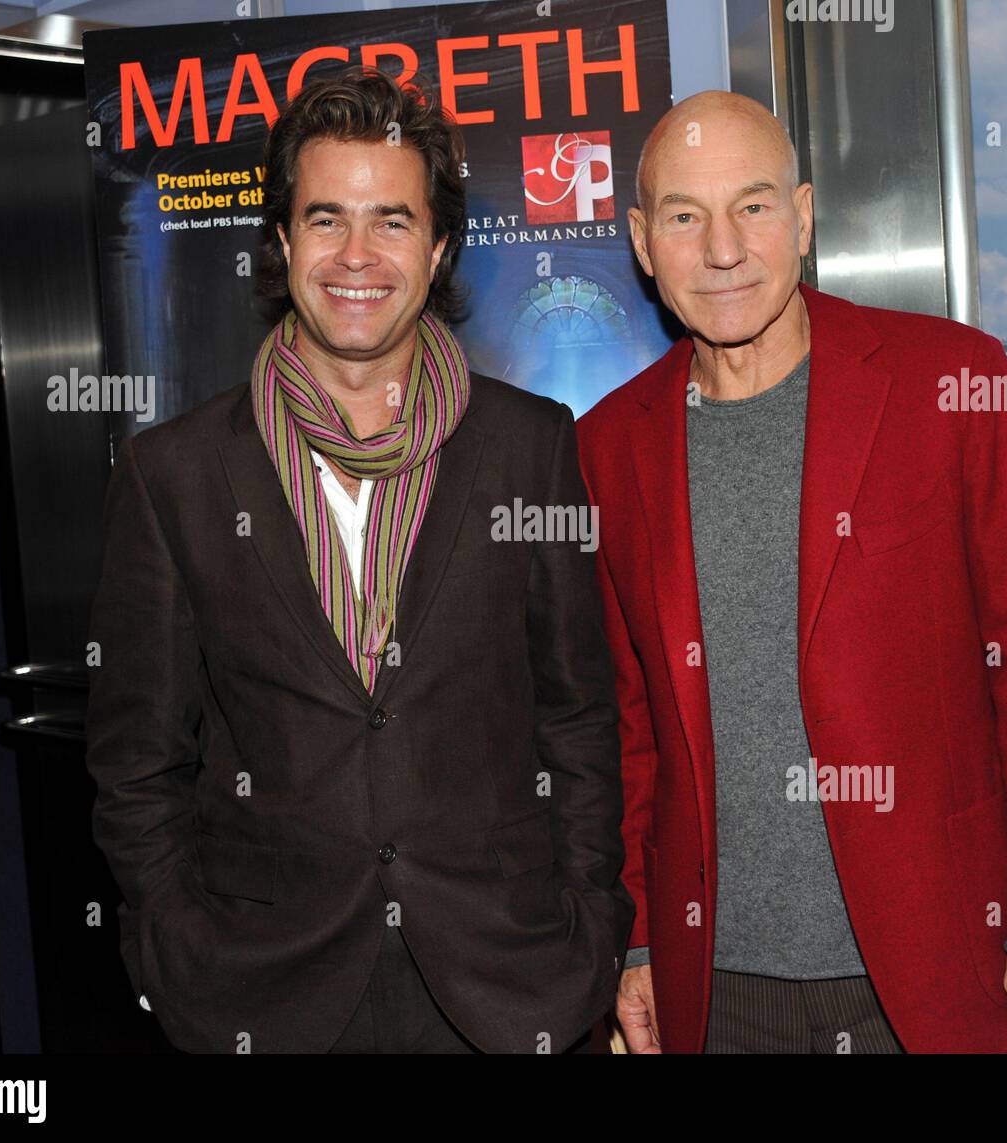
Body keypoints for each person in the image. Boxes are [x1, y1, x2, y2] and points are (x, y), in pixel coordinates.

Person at [84, 67, 632, 1054]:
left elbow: (577, 715)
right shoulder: (177, 473)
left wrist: (590, 929)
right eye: (326, 218)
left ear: (438, 248)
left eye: (392, 221)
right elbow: (137, 759)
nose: (356, 255)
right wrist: (173, 942)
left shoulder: (529, 445)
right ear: (285, 241)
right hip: (267, 989)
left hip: (506, 987)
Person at [576, 90, 1007, 1054]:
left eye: (752, 205)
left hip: (940, 965)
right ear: (639, 239)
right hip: (715, 986)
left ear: (802, 216)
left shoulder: (955, 381)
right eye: (682, 216)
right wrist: (635, 938)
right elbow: (626, 723)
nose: (722, 249)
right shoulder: (607, 444)